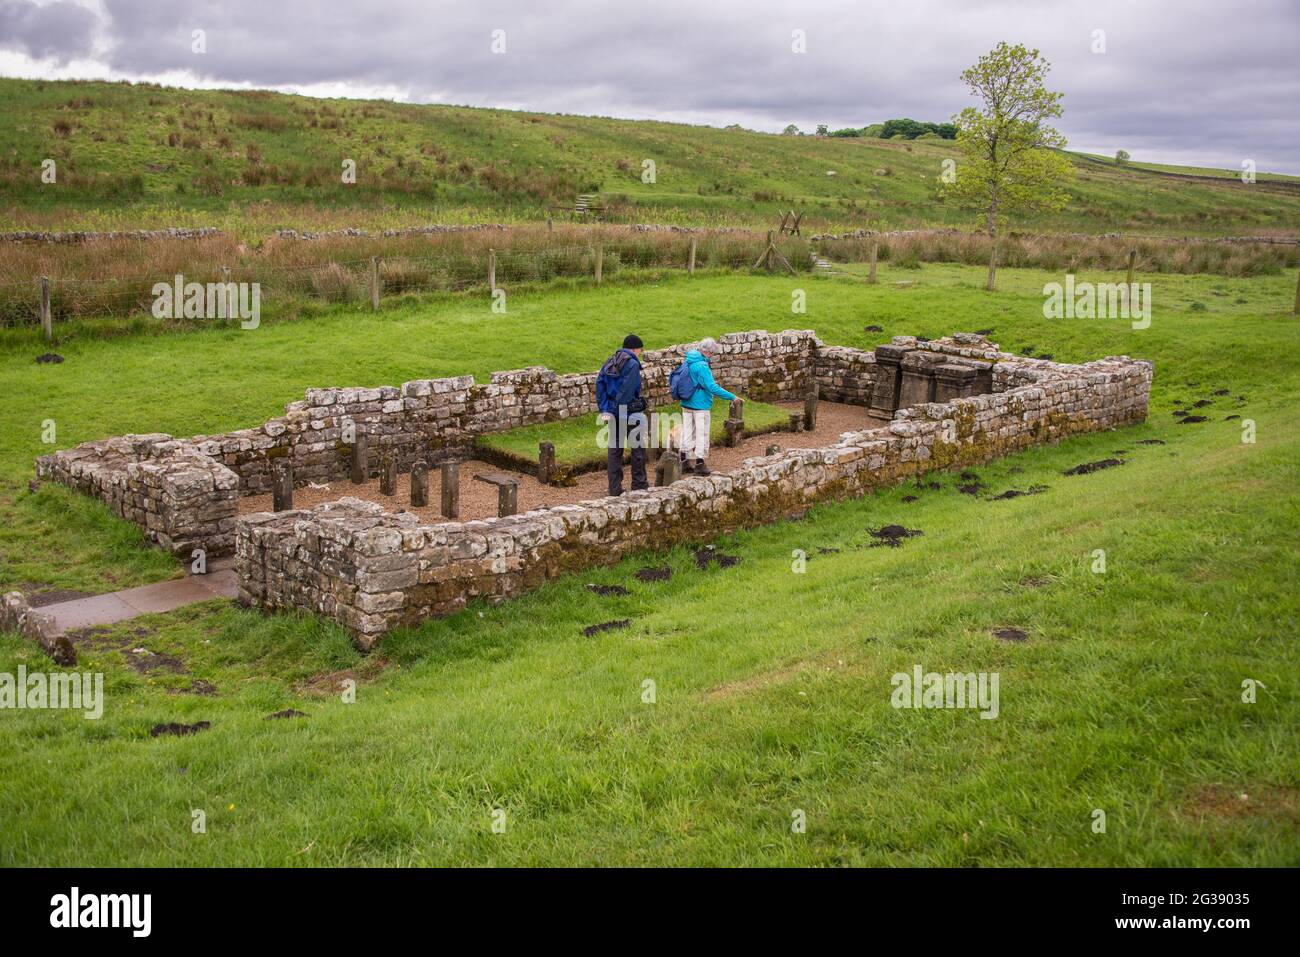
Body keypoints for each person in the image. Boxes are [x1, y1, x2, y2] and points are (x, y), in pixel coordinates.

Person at [674, 337, 737, 476]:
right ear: (708, 352)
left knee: (687, 432)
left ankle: (684, 462)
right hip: (700, 405)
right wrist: (732, 397)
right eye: (712, 354)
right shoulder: (702, 366)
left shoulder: (688, 361)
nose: (712, 356)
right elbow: (712, 387)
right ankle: (700, 465)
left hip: (686, 403)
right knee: (702, 434)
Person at [597, 334, 648, 495]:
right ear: (634, 348)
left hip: (613, 412)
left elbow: (600, 385)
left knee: (615, 451)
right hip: (629, 412)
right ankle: (639, 484)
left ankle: (615, 488)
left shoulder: (610, 361)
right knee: (638, 449)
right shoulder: (632, 364)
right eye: (640, 349)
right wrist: (616, 409)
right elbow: (627, 390)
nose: (640, 352)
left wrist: (606, 409)